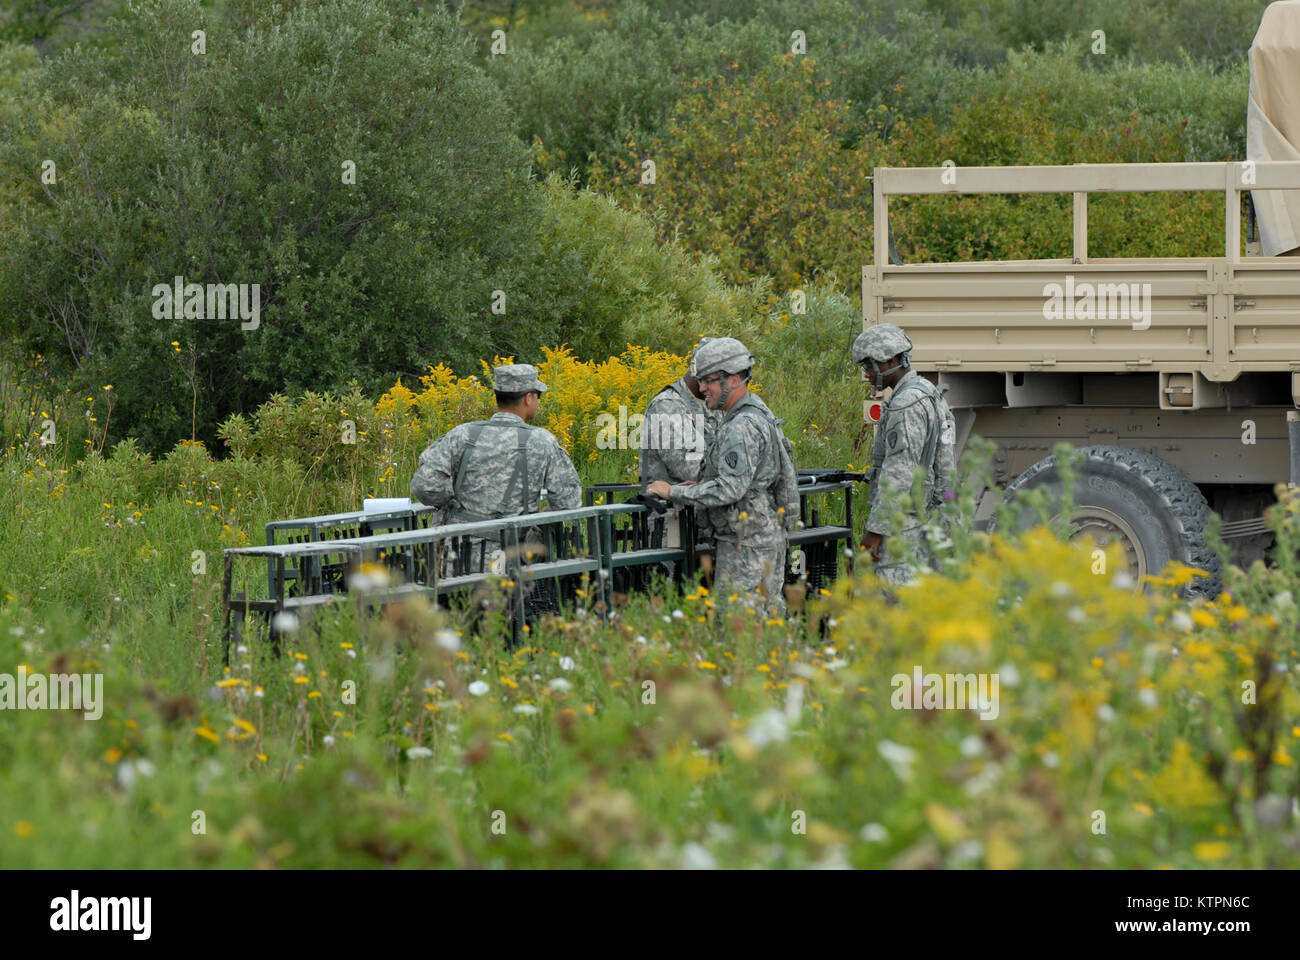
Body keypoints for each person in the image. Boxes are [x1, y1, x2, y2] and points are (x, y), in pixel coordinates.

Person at [646, 337, 799, 614]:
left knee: (738, 629)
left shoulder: (741, 425)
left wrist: (674, 492)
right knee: (765, 621)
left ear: (733, 379)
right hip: (760, 537)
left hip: (745, 544)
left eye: (709, 380)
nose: (701, 387)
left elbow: (730, 489)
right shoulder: (757, 413)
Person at [410, 363, 582, 575]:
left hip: (453, 558)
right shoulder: (542, 441)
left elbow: (424, 485)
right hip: (507, 562)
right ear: (528, 398)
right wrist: (536, 526)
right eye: (538, 396)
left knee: (453, 607)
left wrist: (452, 505)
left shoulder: (462, 434)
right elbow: (568, 502)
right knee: (501, 608)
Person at [853, 323, 957, 585]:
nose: (866, 375)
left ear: (889, 361)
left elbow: (899, 472)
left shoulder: (906, 404)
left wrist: (875, 531)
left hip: (905, 525)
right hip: (931, 519)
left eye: (869, 366)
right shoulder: (929, 393)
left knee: (891, 604)